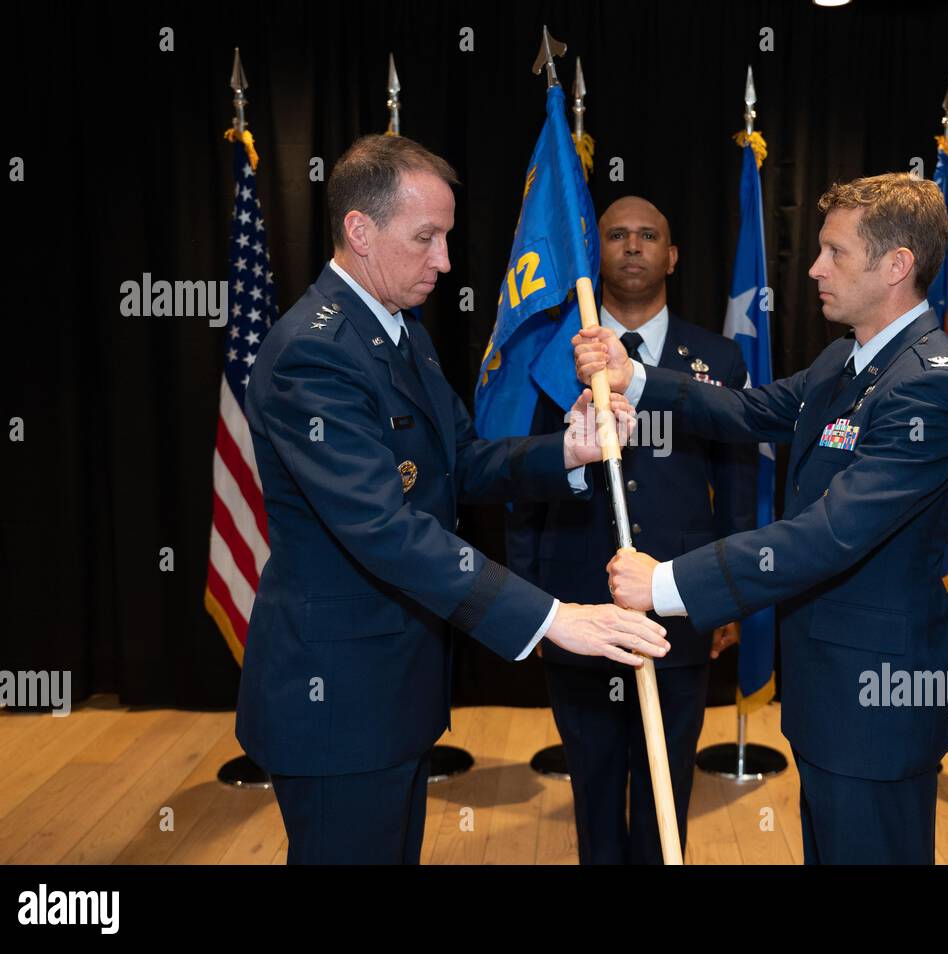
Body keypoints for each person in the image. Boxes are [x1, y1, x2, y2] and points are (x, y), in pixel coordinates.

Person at [236, 135, 668, 865]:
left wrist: (569, 451)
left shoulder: (400, 332)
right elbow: (385, 529)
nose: (443, 261)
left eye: (446, 238)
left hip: (389, 692)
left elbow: (460, 463)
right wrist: (553, 618)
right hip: (335, 701)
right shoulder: (314, 354)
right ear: (361, 231)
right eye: (426, 238)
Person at [577, 172, 948, 864]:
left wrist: (669, 585)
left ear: (896, 266)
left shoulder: (933, 388)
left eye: (834, 254)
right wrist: (636, 377)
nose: (816, 271)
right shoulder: (846, 359)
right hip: (832, 694)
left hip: (878, 702)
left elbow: (831, 533)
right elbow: (748, 410)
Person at [512, 196, 755, 864]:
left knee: (666, 781)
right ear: (598, 255)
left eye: (649, 234)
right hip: (576, 600)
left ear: (672, 255)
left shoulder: (717, 359)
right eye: (617, 235)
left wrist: (728, 595)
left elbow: (738, 485)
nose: (633, 246)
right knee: (591, 781)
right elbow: (525, 481)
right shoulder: (554, 360)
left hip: (680, 604)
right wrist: (529, 597)